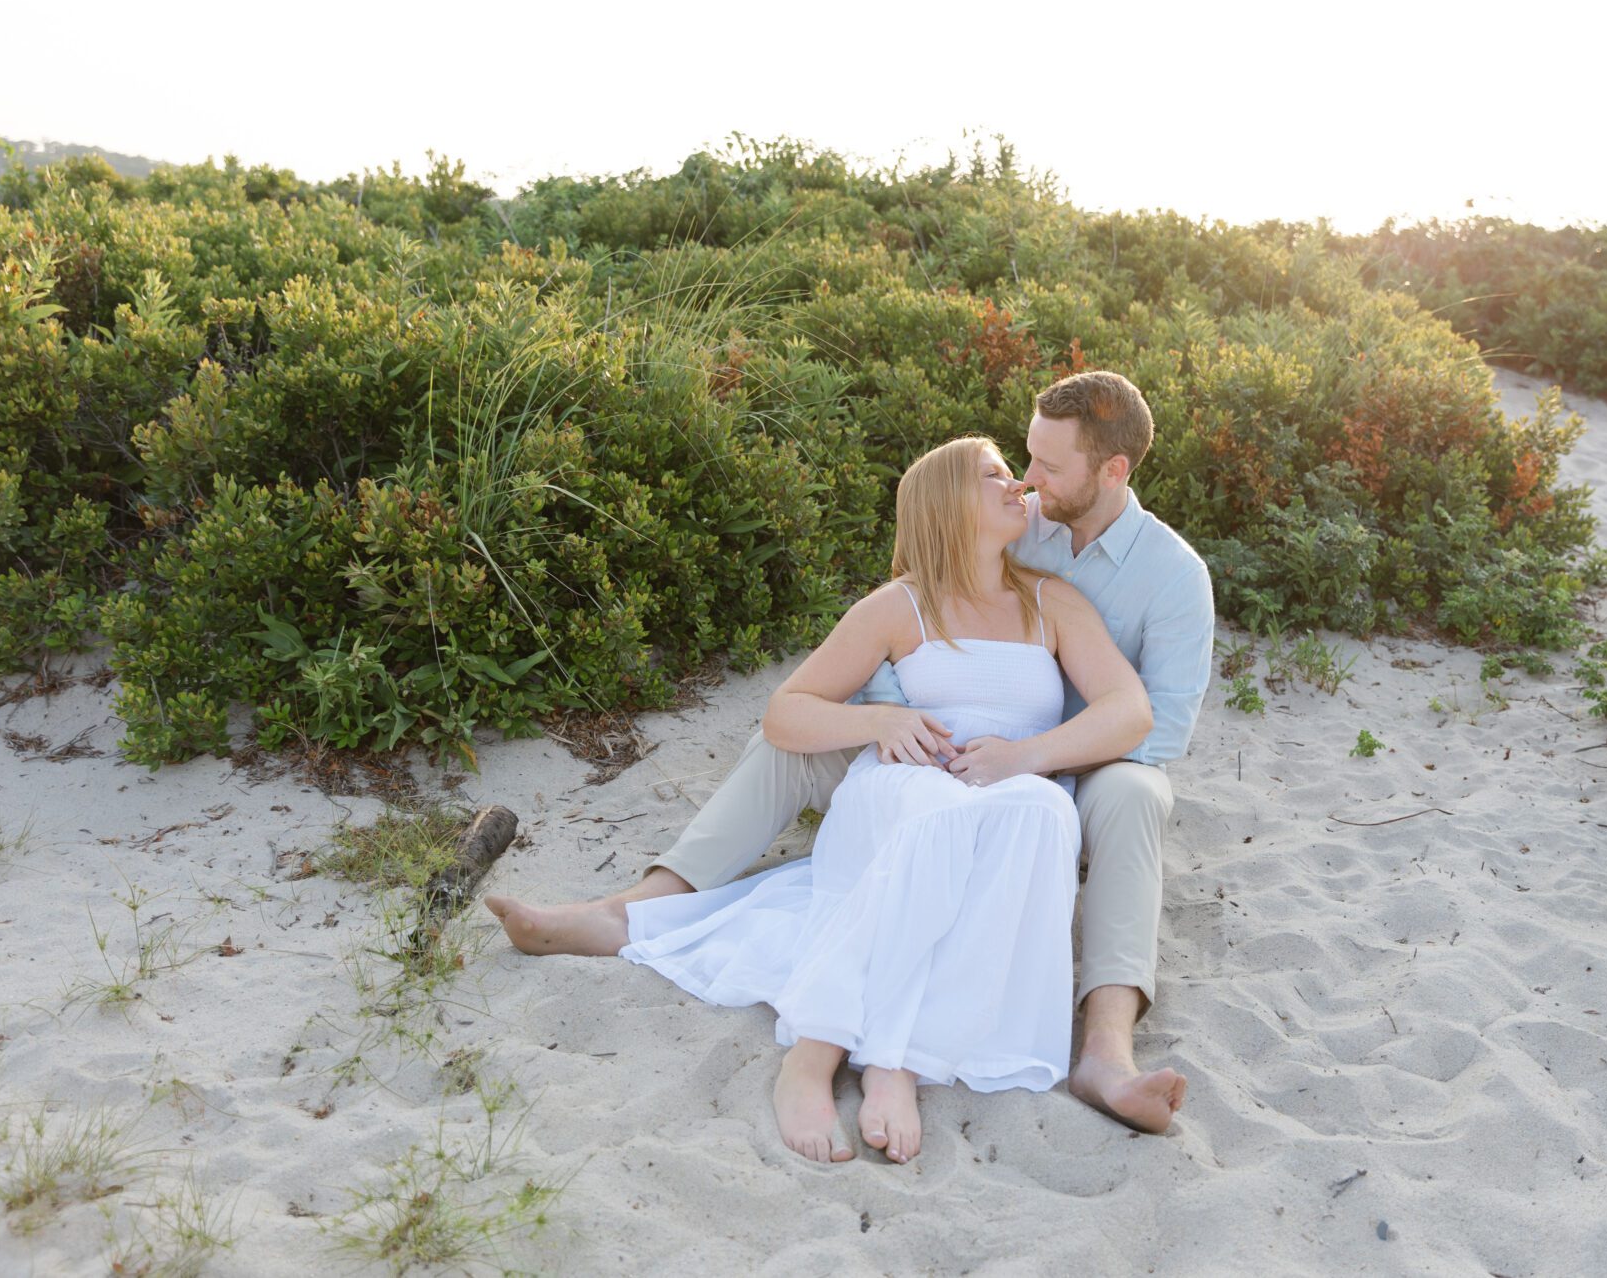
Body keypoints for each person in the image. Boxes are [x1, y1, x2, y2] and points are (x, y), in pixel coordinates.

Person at [488, 371, 1217, 1135]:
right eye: (1016, 464)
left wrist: (1029, 758)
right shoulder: (1010, 523)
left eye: (1044, 469)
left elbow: (1149, 726)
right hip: (931, 753)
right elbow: (909, 611)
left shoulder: (1168, 577)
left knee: (1128, 795)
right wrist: (887, 720)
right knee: (798, 745)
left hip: (1072, 766)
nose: (1027, 484)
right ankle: (637, 908)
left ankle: (1105, 1049)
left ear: (1112, 472)